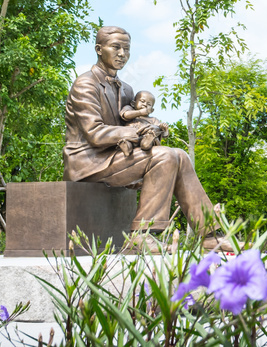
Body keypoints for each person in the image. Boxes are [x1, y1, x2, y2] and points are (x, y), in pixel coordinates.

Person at [63, 26, 233, 253]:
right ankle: (142, 236)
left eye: (126, 49)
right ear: (98, 49)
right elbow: (94, 133)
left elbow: (132, 123)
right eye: (116, 47)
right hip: (88, 161)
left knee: (179, 155)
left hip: (116, 156)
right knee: (165, 157)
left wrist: (152, 129)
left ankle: (210, 236)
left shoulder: (127, 89)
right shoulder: (85, 84)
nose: (122, 53)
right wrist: (138, 134)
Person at [117, 90, 170, 156]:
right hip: (131, 135)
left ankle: (147, 142)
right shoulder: (130, 110)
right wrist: (140, 112)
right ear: (133, 103)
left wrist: (164, 129)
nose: (145, 105)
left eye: (149, 104)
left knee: (151, 136)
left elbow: (163, 134)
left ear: (152, 110)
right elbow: (125, 115)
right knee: (127, 140)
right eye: (142, 101)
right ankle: (126, 147)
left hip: (145, 136)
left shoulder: (153, 119)